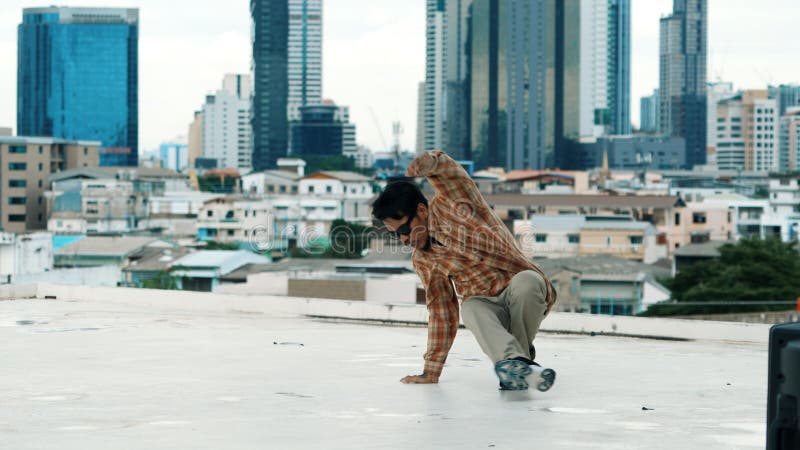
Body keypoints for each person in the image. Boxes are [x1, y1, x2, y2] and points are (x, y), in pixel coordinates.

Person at [371, 150, 557, 391]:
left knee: (528, 281)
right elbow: (441, 311)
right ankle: (519, 367)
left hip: (519, 290)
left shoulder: (454, 207)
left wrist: (431, 162)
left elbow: (455, 179)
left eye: (405, 229)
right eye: (396, 234)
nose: (404, 238)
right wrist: (431, 370)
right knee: (470, 307)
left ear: (422, 211)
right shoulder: (424, 260)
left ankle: (516, 362)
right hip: (486, 307)